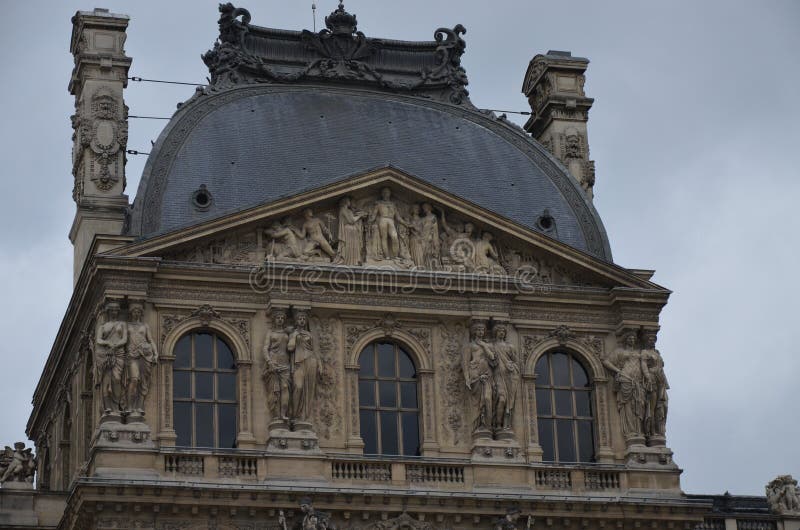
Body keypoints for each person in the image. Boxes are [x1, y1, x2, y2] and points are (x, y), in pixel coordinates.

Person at [603, 331, 646, 443]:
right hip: (625, 379)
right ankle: (631, 431)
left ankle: (639, 431)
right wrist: (618, 371)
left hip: (638, 382)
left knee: (639, 405)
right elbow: (606, 362)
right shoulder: (619, 351)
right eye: (630, 338)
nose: (632, 340)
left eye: (633, 338)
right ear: (625, 340)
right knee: (628, 406)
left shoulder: (639, 352)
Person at [94, 301, 127, 416]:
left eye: (116, 311)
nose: (114, 312)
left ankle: (117, 406)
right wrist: (108, 343)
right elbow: (98, 340)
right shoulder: (103, 326)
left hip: (119, 353)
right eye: (112, 310)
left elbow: (124, 339)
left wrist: (115, 345)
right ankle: (107, 407)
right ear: (108, 312)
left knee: (117, 379)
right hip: (106, 354)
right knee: (106, 381)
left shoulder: (122, 324)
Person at [463, 320, 496, 435]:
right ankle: (480, 424)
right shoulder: (470, 346)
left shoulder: (488, 345)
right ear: (474, 331)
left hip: (487, 375)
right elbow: (465, 363)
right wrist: (467, 378)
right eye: (478, 329)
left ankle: (487, 425)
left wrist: (483, 345)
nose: (481, 332)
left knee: (487, 398)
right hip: (475, 375)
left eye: (482, 330)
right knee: (478, 402)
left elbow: (492, 357)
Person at [287, 309, 320, 424]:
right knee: (298, 386)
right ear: (296, 321)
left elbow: (315, 350)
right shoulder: (293, 334)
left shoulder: (309, 335)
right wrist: (294, 336)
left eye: (303, 319)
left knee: (309, 389)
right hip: (298, 362)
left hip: (310, 360)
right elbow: (290, 348)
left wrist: (320, 364)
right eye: (299, 319)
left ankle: (304, 417)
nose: (302, 321)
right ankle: (294, 415)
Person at [126, 302, 158, 416]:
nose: (136, 313)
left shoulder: (145, 326)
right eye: (135, 311)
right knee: (134, 379)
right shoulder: (126, 325)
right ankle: (129, 407)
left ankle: (139, 406)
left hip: (145, 354)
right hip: (132, 355)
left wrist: (155, 353)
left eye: (139, 312)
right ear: (131, 312)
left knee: (144, 382)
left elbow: (150, 340)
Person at [262, 309, 291, 422]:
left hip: (285, 363)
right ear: (274, 319)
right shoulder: (270, 332)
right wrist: (269, 362)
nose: (280, 320)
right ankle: (276, 415)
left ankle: (283, 414)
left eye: (282, 318)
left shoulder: (287, 333)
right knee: (275, 391)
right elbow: (265, 348)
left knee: (285, 388)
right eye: (278, 317)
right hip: (273, 363)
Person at [491, 322, 520, 432]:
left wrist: (511, 365)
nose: (502, 333)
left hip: (509, 376)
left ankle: (505, 424)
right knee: (502, 399)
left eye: (503, 331)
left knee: (509, 402)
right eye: (499, 331)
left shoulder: (510, 347)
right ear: (495, 332)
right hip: (497, 375)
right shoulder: (492, 346)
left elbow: (516, 363)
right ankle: (498, 424)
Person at [368, 187, 408, 260]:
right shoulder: (379, 203)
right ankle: (387, 256)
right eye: (384, 192)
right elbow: (374, 215)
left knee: (395, 237)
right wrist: (369, 220)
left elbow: (398, 217)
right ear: (382, 194)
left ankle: (395, 256)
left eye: (387, 192)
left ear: (390, 194)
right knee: (384, 238)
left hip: (391, 220)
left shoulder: (393, 204)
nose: (386, 194)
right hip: (383, 220)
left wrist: (405, 223)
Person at [334, 196, 366, 266]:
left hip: (353, 231)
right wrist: (360, 216)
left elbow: (353, 218)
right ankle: (348, 261)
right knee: (348, 246)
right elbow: (351, 220)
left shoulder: (348, 211)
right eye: (349, 201)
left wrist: (360, 215)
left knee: (354, 246)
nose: (350, 202)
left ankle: (355, 261)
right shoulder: (343, 210)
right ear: (345, 202)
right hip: (348, 231)